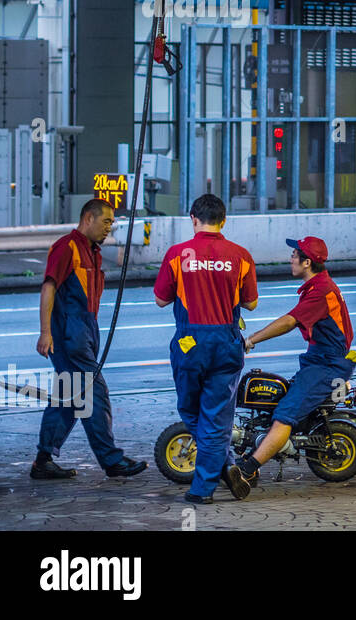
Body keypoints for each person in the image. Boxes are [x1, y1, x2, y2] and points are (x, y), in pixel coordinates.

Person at [225, 236, 356, 499]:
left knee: (284, 414)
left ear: (307, 262)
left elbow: (289, 322)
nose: (291, 259)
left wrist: (251, 339)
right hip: (319, 360)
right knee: (277, 399)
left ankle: (248, 468)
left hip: (327, 365)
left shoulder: (321, 291)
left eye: (294, 255)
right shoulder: (318, 286)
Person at [153, 193, 258, 504]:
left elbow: (160, 300)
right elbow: (251, 303)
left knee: (190, 410)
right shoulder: (241, 255)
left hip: (190, 344)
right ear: (223, 221)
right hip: (226, 343)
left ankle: (202, 488)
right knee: (217, 416)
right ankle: (225, 464)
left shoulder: (177, 254)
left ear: (193, 219)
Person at [31, 199, 147, 480]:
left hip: (85, 330)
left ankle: (43, 460)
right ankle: (112, 460)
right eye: (106, 222)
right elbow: (48, 288)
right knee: (94, 393)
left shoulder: (93, 251)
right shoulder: (67, 247)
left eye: (112, 223)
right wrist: (45, 332)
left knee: (69, 397)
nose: (110, 228)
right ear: (88, 219)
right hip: (68, 333)